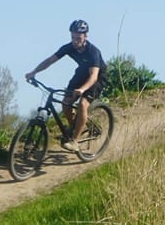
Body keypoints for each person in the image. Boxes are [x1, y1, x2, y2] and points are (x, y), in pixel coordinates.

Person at [25, 19, 106, 151]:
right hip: (81, 73)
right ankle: (77, 126)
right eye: (73, 37)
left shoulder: (93, 52)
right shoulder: (69, 47)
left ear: (86, 36)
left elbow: (93, 76)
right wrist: (33, 72)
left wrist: (82, 89)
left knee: (82, 104)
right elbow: (50, 61)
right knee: (65, 104)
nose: (75, 41)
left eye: (78, 38)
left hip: (97, 78)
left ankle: (75, 141)